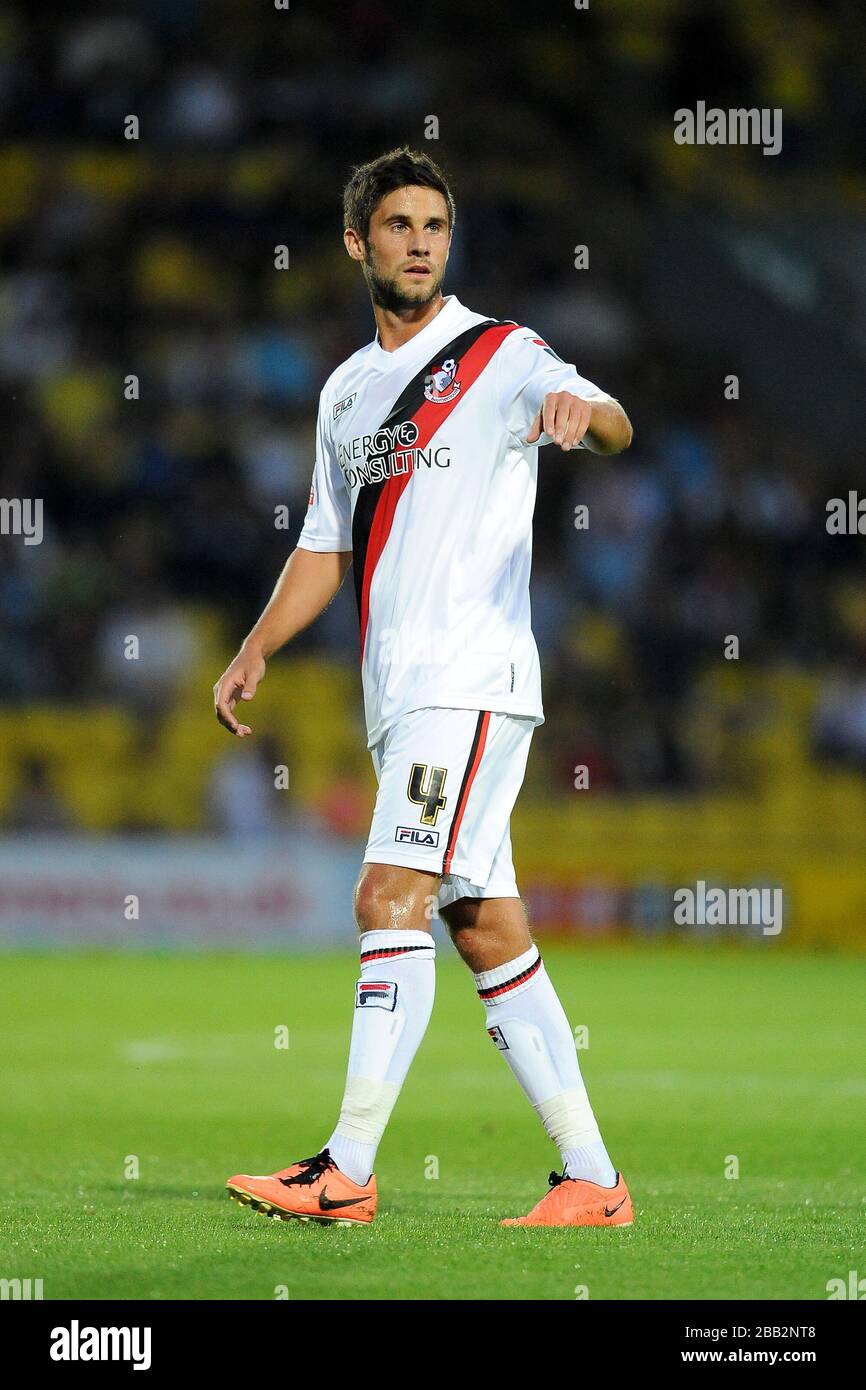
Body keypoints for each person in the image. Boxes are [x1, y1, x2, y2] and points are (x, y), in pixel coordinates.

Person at [214, 147, 634, 1228]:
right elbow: (323, 541)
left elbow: (607, 411)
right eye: (398, 226)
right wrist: (257, 641)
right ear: (359, 242)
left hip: (471, 677)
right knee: (485, 925)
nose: (419, 244)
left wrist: (584, 419)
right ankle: (592, 1179)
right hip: (401, 693)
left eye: (434, 228)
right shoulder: (347, 393)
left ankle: (342, 1170)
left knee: (384, 896)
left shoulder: (500, 352)